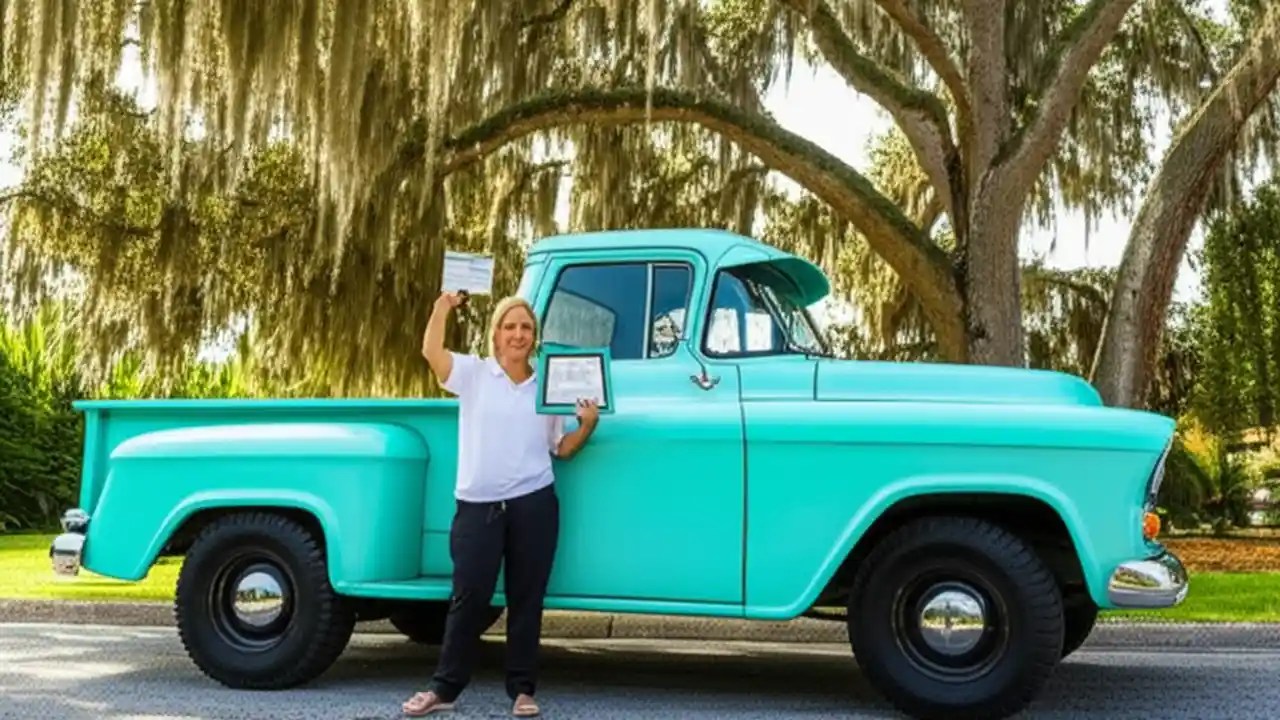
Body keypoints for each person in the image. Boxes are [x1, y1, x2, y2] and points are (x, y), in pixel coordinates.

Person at [402, 291, 600, 718]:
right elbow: (431, 352)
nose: (518, 334)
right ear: (495, 335)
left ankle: (523, 690)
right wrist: (442, 307)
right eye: (509, 326)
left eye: (526, 327)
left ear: (534, 336)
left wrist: (586, 426)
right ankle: (444, 689)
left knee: (526, 600)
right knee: (468, 598)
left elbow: (561, 449)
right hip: (479, 507)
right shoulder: (474, 374)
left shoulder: (547, 386)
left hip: (535, 504)